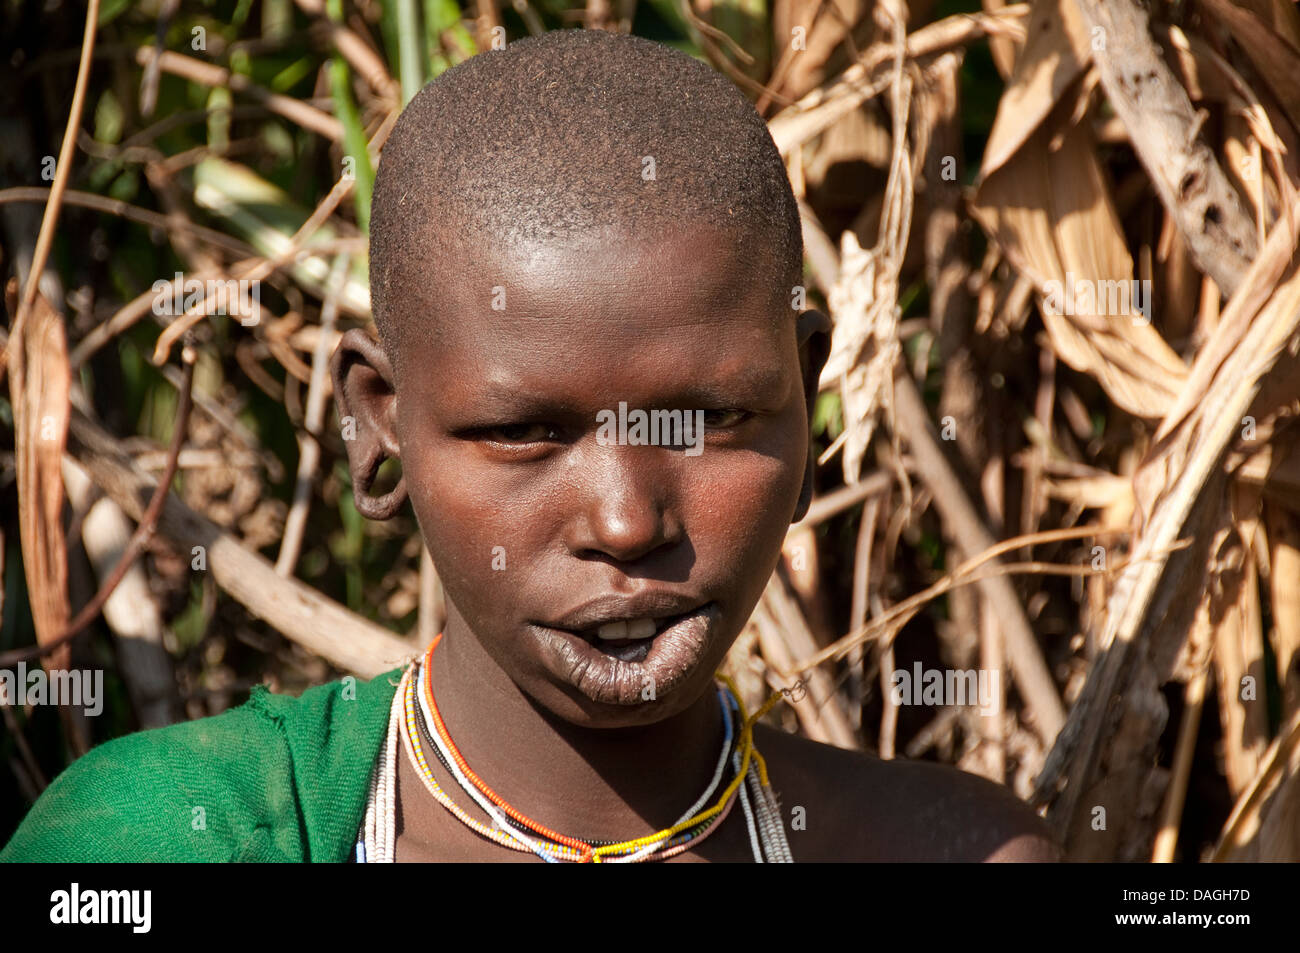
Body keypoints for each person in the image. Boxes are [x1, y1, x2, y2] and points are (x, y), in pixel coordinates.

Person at [2, 27, 1058, 862]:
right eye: (521, 432)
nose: (625, 520)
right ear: (378, 430)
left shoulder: (952, 849)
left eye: (707, 419)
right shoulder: (170, 839)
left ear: (806, 393)